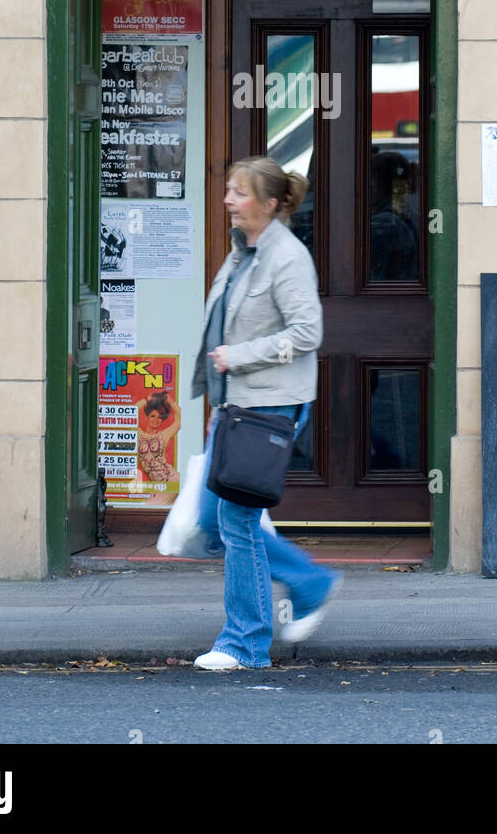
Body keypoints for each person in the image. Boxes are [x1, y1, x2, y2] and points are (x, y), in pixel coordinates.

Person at [190, 155, 341, 671]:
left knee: (235, 518)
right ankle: (309, 581)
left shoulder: (286, 256)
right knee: (213, 519)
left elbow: (307, 333)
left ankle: (244, 644)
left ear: (271, 204)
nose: (228, 200)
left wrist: (242, 356)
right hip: (234, 406)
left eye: (239, 192)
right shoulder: (242, 253)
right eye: (229, 190)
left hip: (267, 406)